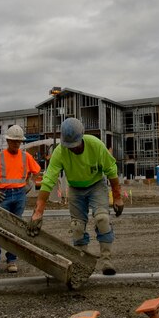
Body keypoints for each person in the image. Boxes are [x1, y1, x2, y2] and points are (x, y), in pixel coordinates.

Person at [26, 117, 124, 275]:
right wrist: (38, 211)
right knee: (77, 226)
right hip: (75, 189)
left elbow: (111, 170)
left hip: (96, 185)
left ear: (82, 136)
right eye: (69, 146)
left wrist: (117, 197)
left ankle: (106, 260)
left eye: (75, 145)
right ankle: (81, 263)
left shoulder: (96, 145)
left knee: (102, 219)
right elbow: (49, 180)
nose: (73, 149)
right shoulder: (60, 151)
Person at [0, 125, 40, 274]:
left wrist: (30, 183)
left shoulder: (26, 157)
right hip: (2, 195)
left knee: (15, 228)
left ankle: (12, 260)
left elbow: (36, 170)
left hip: (19, 195)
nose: (16, 144)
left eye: (19, 141)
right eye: (14, 141)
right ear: (8, 141)